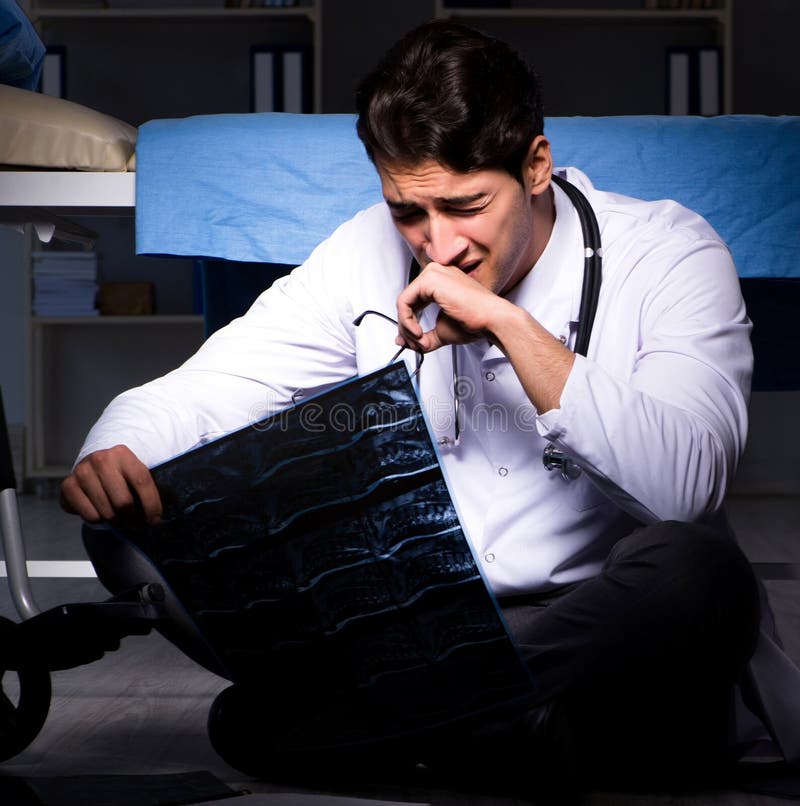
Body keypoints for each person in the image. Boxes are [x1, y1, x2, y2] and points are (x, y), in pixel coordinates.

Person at [61, 19, 762, 799]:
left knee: (700, 575)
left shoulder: (668, 252)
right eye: (408, 212)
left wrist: (507, 325)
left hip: (588, 634)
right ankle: (490, 735)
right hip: (414, 622)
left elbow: (685, 483)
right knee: (126, 533)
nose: (439, 245)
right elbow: (215, 382)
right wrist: (116, 447)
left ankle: (367, 732)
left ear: (536, 165)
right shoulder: (365, 249)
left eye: (466, 207)